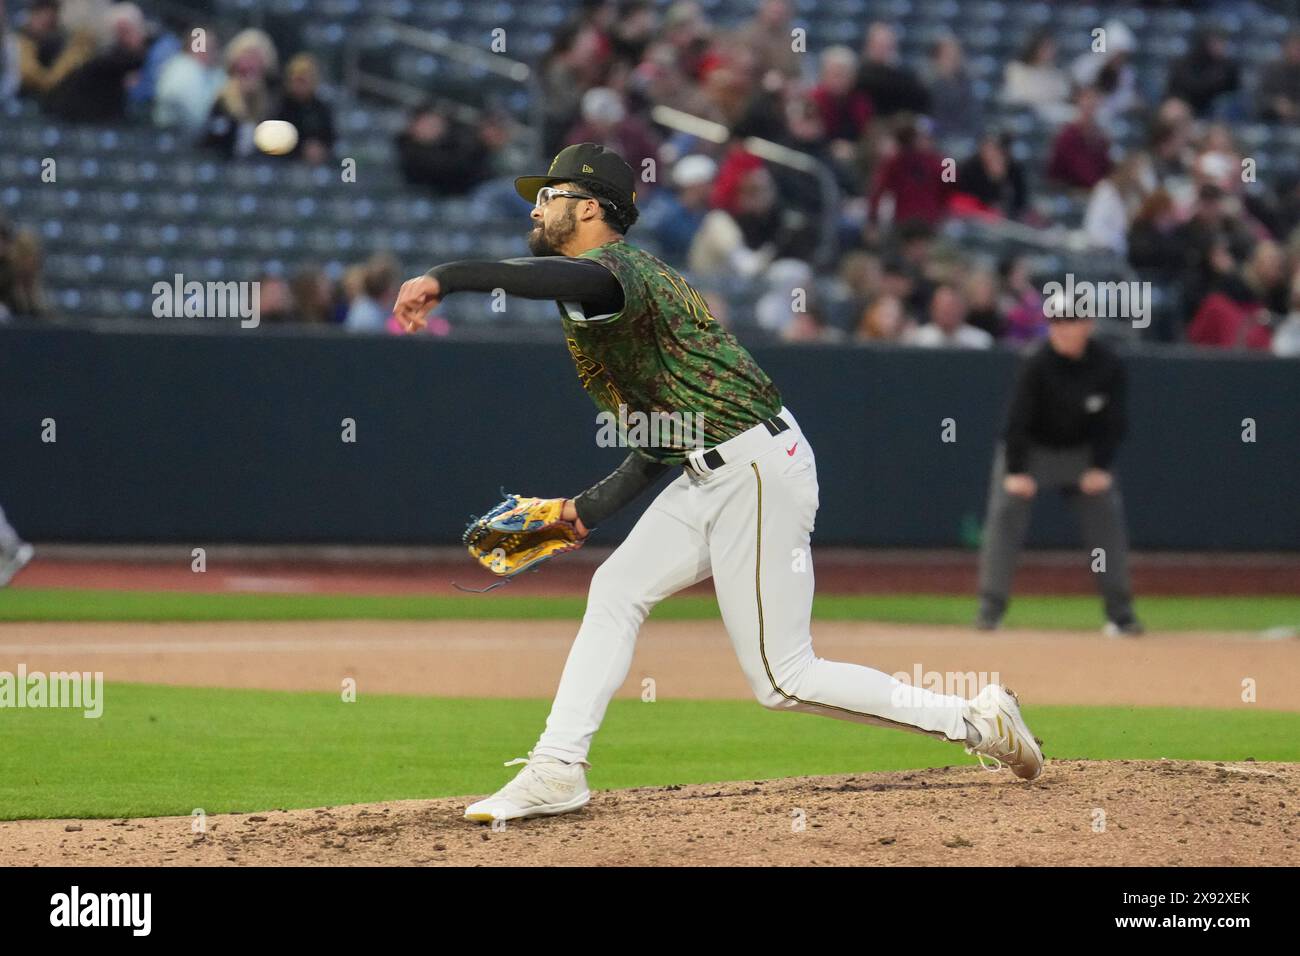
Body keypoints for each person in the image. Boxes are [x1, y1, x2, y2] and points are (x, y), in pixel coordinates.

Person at [392, 142, 1045, 822]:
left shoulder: (613, 272)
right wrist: (583, 513)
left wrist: (447, 276)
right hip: (716, 466)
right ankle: (558, 767)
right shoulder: (617, 294)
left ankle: (975, 721)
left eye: (549, 194)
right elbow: (660, 441)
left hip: (754, 467)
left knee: (782, 677)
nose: (537, 204)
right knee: (614, 589)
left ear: (588, 207)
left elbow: (558, 282)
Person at [976, 300, 1141, 636]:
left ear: (1088, 325)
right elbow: (1017, 421)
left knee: (1105, 524)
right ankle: (990, 610)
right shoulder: (1036, 363)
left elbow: (1114, 423)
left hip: (1081, 455)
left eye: (1071, 322)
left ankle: (1120, 614)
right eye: (1057, 322)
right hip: (1032, 452)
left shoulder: (1107, 364)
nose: (1062, 329)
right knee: (1005, 515)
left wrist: (1100, 467)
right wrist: (1017, 471)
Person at [905, 284, 992, 349]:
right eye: (943, 307)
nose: (948, 311)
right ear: (932, 309)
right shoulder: (918, 339)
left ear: (963, 309)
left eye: (952, 306)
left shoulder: (980, 341)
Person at [0, 503, 34, 588]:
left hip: (7, 541)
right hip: (8, 540)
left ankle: (4, 575)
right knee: (24, 552)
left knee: (25, 552)